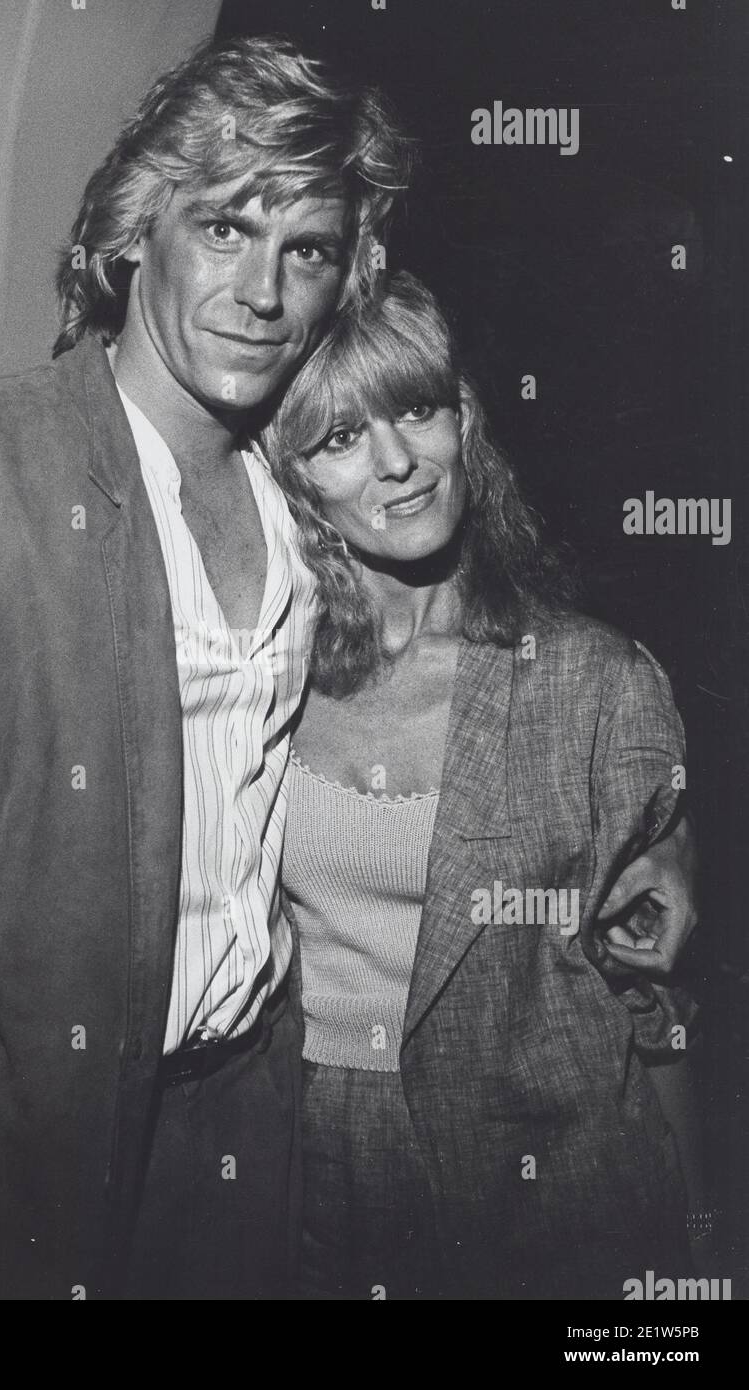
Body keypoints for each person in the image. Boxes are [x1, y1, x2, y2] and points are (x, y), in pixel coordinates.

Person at [0, 36, 696, 1301]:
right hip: (28, 1162)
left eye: (305, 248)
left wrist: (650, 832)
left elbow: (495, 697)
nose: (263, 289)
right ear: (133, 230)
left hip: (267, 1139)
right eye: (223, 228)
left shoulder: (308, 481)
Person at [263, 271, 704, 1300]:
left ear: (463, 418)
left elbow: (656, 995)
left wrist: (696, 1264)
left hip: (549, 1186)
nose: (398, 461)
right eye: (339, 437)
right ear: (294, 480)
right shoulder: (254, 677)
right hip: (303, 1165)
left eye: (418, 407)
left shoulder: (595, 679)